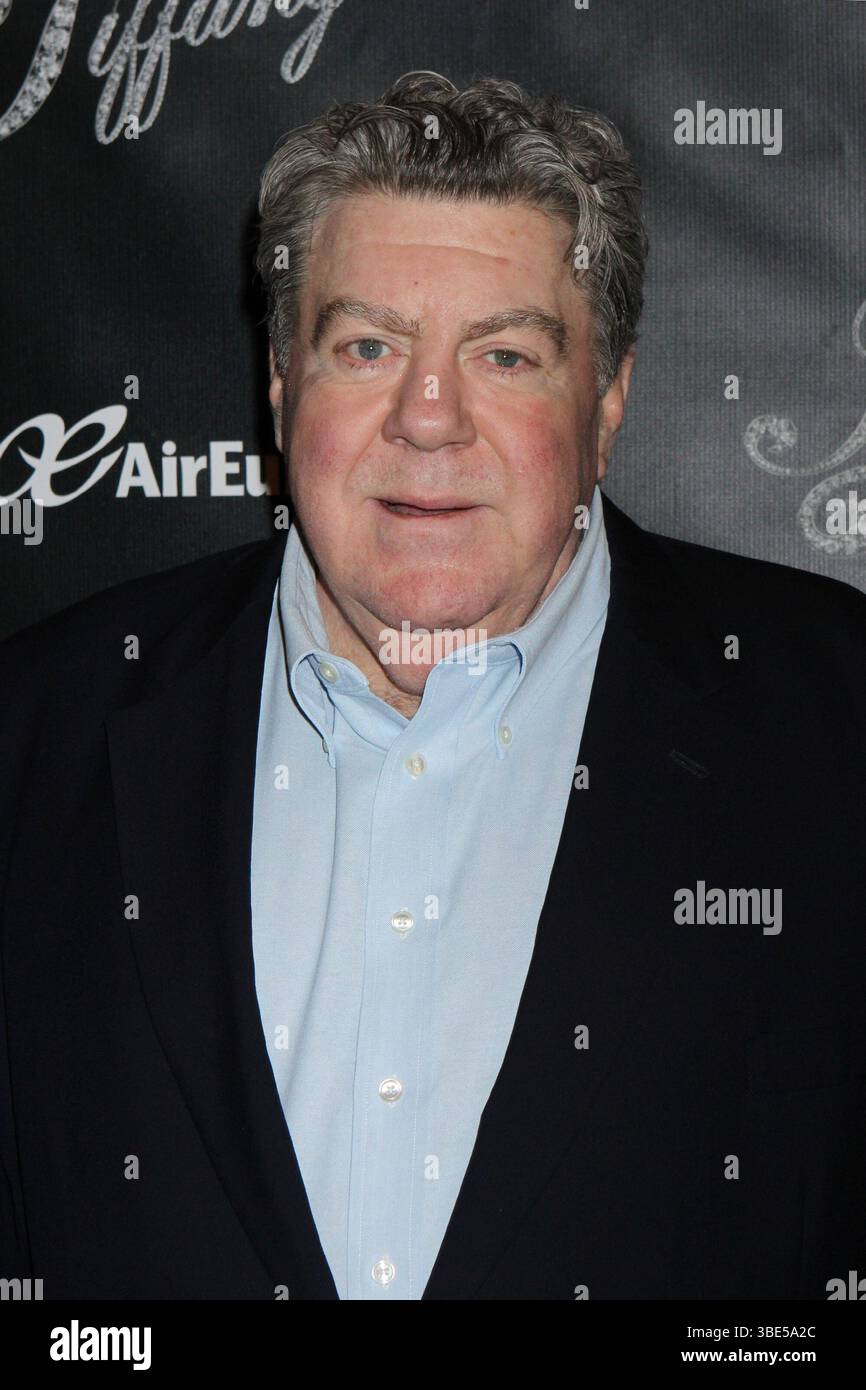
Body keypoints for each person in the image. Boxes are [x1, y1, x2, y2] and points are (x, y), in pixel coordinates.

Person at [1, 71, 864, 1301]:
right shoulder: (36, 739)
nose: (427, 417)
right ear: (280, 385)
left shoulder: (834, 728)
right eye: (366, 346)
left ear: (607, 397)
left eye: (504, 354)